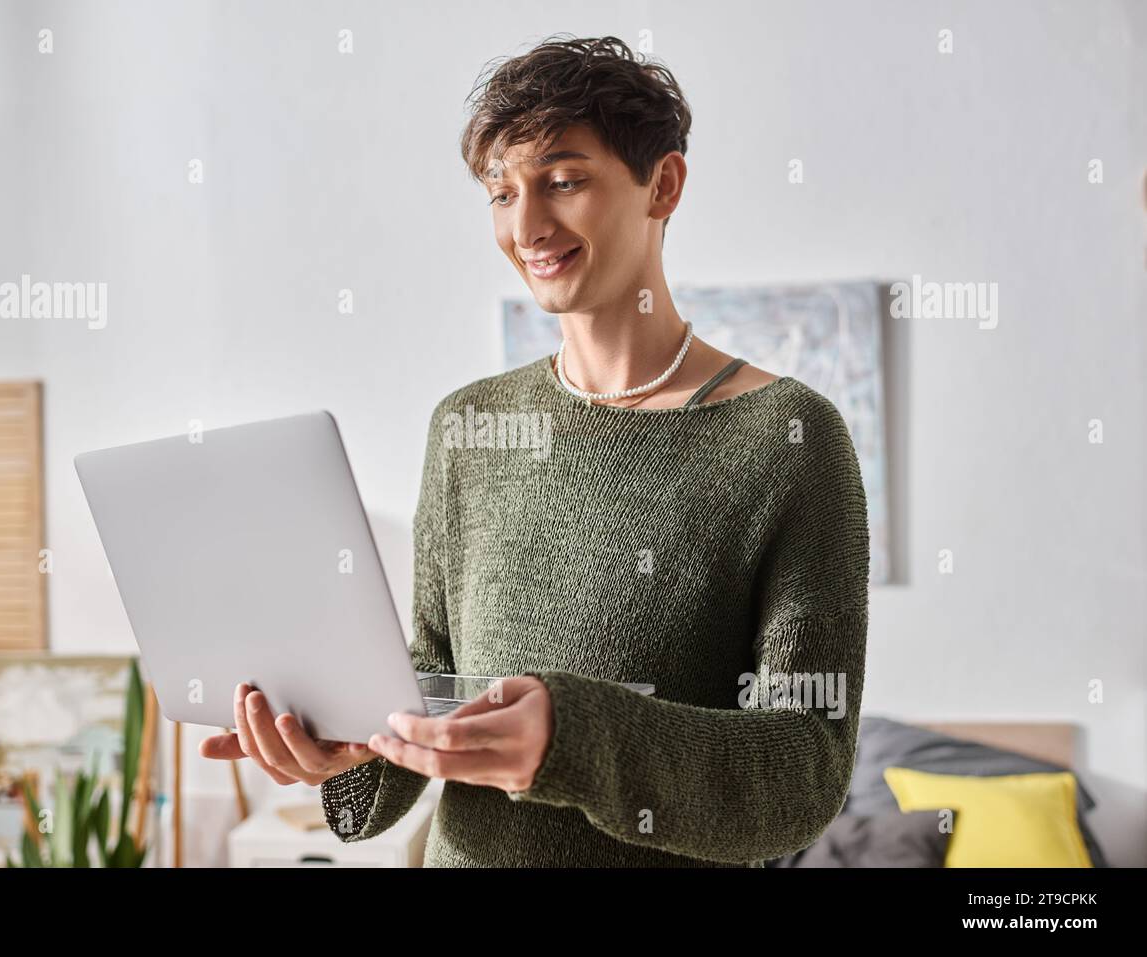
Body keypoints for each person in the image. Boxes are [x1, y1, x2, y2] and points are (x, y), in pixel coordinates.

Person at [200, 34, 870, 867]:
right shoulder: (467, 426)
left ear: (662, 184)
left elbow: (802, 770)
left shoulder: (789, 440)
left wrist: (574, 737)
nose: (527, 226)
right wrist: (350, 740)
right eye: (501, 192)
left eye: (563, 180)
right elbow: (436, 668)